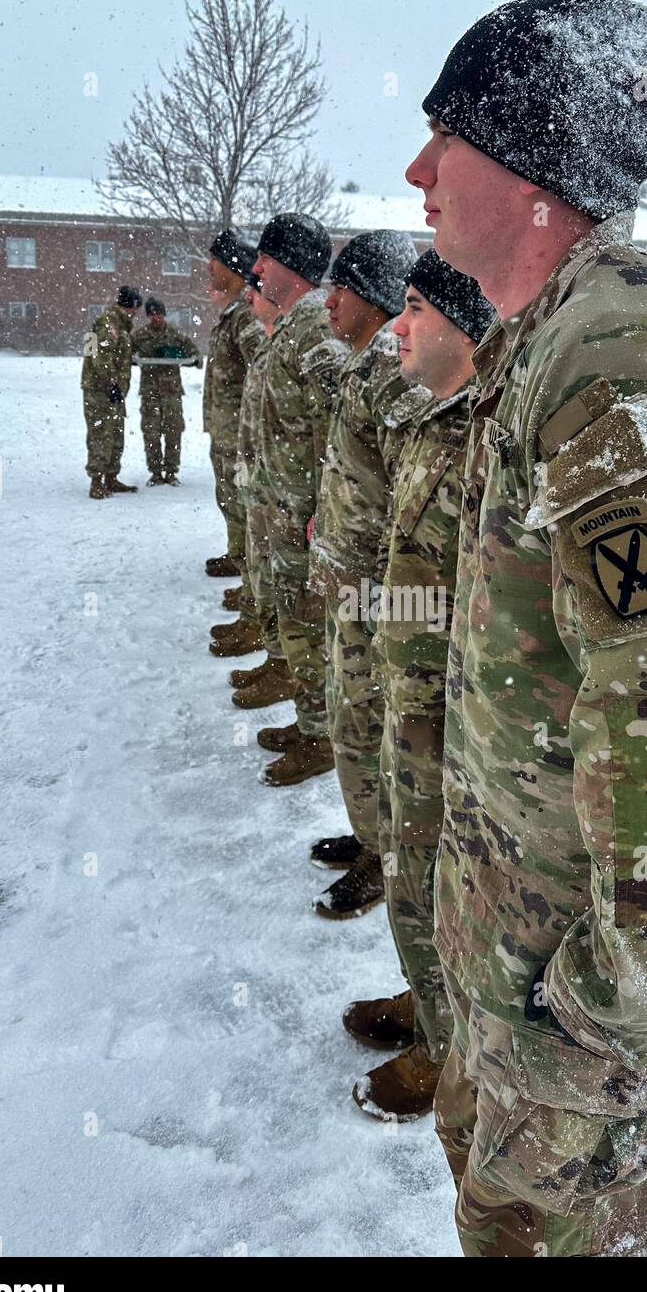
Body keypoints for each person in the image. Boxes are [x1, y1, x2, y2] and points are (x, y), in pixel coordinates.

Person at [405, 0, 647, 1257]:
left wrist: (606, 1019)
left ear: (528, 166)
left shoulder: (618, 364)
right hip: (509, 976)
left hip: (567, 1022)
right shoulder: (542, 345)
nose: (417, 171)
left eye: (444, 134)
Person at [343, 250, 494, 1121]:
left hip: (463, 728)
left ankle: (457, 1052)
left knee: (449, 886)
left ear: (463, 324)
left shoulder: (490, 436)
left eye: (414, 310)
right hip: (414, 709)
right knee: (414, 876)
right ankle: (433, 1010)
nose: (397, 327)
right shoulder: (439, 421)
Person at [307, 230, 429, 919]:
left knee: (371, 725)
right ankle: (371, 838)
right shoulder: (370, 363)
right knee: (354, 717)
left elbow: (414, 491)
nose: (331, 301)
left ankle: (387, 854)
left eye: (343, 288)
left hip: (379, 595)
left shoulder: (392, 366)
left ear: (376, 296)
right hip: (354, 584)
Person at [250, 214, 349, 787]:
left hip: (307, 519)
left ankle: (320, 736)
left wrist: (323, 511)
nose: (256, 268)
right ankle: (310, 720)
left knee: (310, 630)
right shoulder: (293, 326)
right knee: (295, 624)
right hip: (284, 514)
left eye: (265, 257)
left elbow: (343, 426)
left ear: (290, 264)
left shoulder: (314, 330)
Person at [226, 272, 298, 713]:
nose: (251, 295)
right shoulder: (270, 344)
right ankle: (276, 660)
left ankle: (286, 671)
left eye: (258, 285)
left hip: (283, 496)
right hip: (261, 486)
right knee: (263, 575)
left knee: (285, 591)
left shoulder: (290, 345)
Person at [202, 229, 262, 585]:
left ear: (234, 267)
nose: (209, 267)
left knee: (243, 503)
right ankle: (238, 557)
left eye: (215, 261)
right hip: (226, 431)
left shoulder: (245, 315)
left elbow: (265, 366)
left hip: (242, 434)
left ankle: (250, 581)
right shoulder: (233, 312)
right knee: (229, 498)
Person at [130, 297, 201, 486]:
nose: (156, 318)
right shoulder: (139, 336)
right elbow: (126, 353)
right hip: (150, 392)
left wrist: (185, 358)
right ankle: (155, 472)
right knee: (151, 432)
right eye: (152, 314)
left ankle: (171, 471)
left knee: (173, 431)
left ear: (164, 314)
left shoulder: (175, 335)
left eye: (159, 313)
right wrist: (134, 359)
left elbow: (195, 354)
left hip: (172, 391)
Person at [81, 285, 142, 499]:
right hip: (100, 391)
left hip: (111, 390)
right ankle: (96, 481)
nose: (137, 313)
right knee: (101, 434)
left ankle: (111, 478)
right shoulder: (109, 324)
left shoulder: (119, 325)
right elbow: (100, 358)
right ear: (131, 306)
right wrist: (112, 384)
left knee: (115, 434)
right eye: (137, 308)